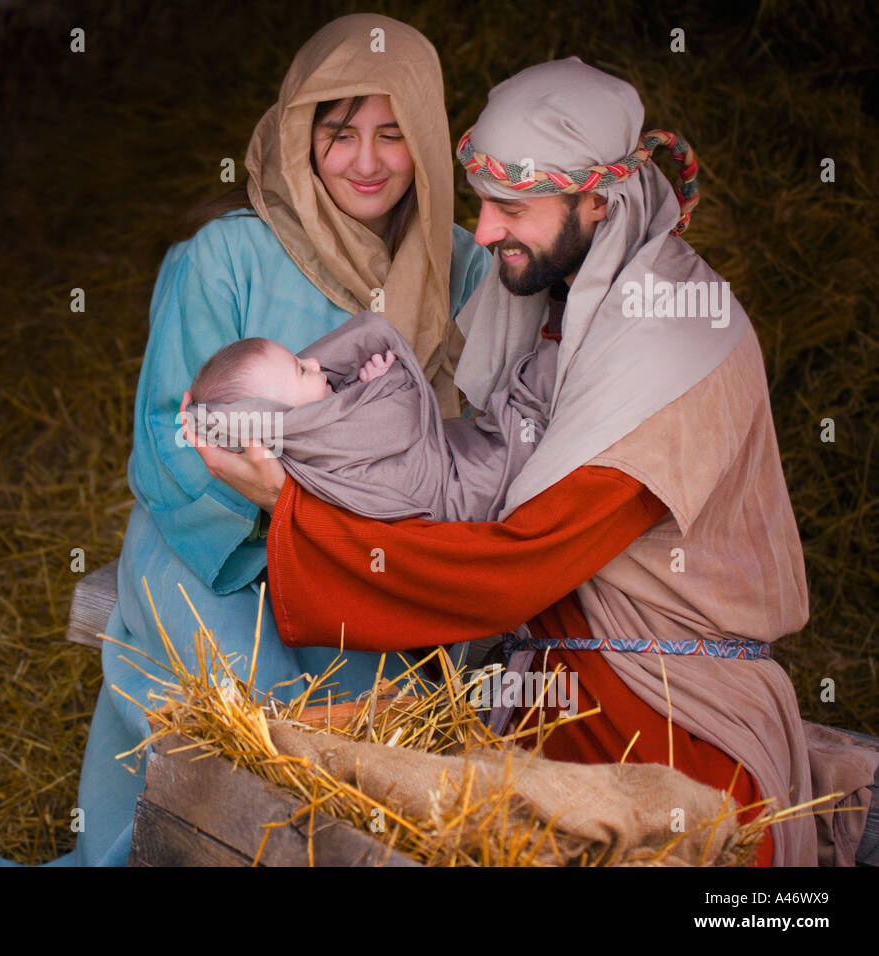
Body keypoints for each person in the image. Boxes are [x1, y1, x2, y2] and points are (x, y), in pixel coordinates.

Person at [194, 57, 879, 867]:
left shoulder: (669, 349)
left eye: (510, 206)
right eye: (483, 202)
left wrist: (296, 508)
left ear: (597, 199)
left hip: (665, 729)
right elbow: (471, 474)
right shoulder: (562, 302)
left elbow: (518, 566)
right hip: (547, 692)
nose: (482, 233)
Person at [0, 13, 492, 866]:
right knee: (240, 736)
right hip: (220, 552)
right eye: (339, 133)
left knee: (382, 750)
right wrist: (269, 498)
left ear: (429, 142)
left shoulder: (463, 266)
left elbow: (481, 429)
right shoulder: (226, 257)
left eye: (393, 135)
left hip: (375, 560)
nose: (366, 161)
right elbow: (165, 442)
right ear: (299, 135)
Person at [185, 309, 550, 524]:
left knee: (524, 403)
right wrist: (386, 382)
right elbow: (400, 422)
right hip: (463, 494)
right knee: (526, 414)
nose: (314, 363)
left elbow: (356, 423)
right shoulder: (317, 443)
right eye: (300, 370)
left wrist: (362, 387)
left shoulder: (303, 437)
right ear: (278, 414)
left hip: (454, 456)